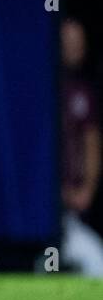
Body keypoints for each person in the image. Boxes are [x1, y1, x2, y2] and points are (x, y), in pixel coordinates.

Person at [61, 17, 103, 276]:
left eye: (79, 43)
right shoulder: (43, 90)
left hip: (75, 206)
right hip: (48, 209)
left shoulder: (83, 92)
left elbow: (92, 144)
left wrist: (86, 189)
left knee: (95, 262)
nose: (76, 48)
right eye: (69, 42)